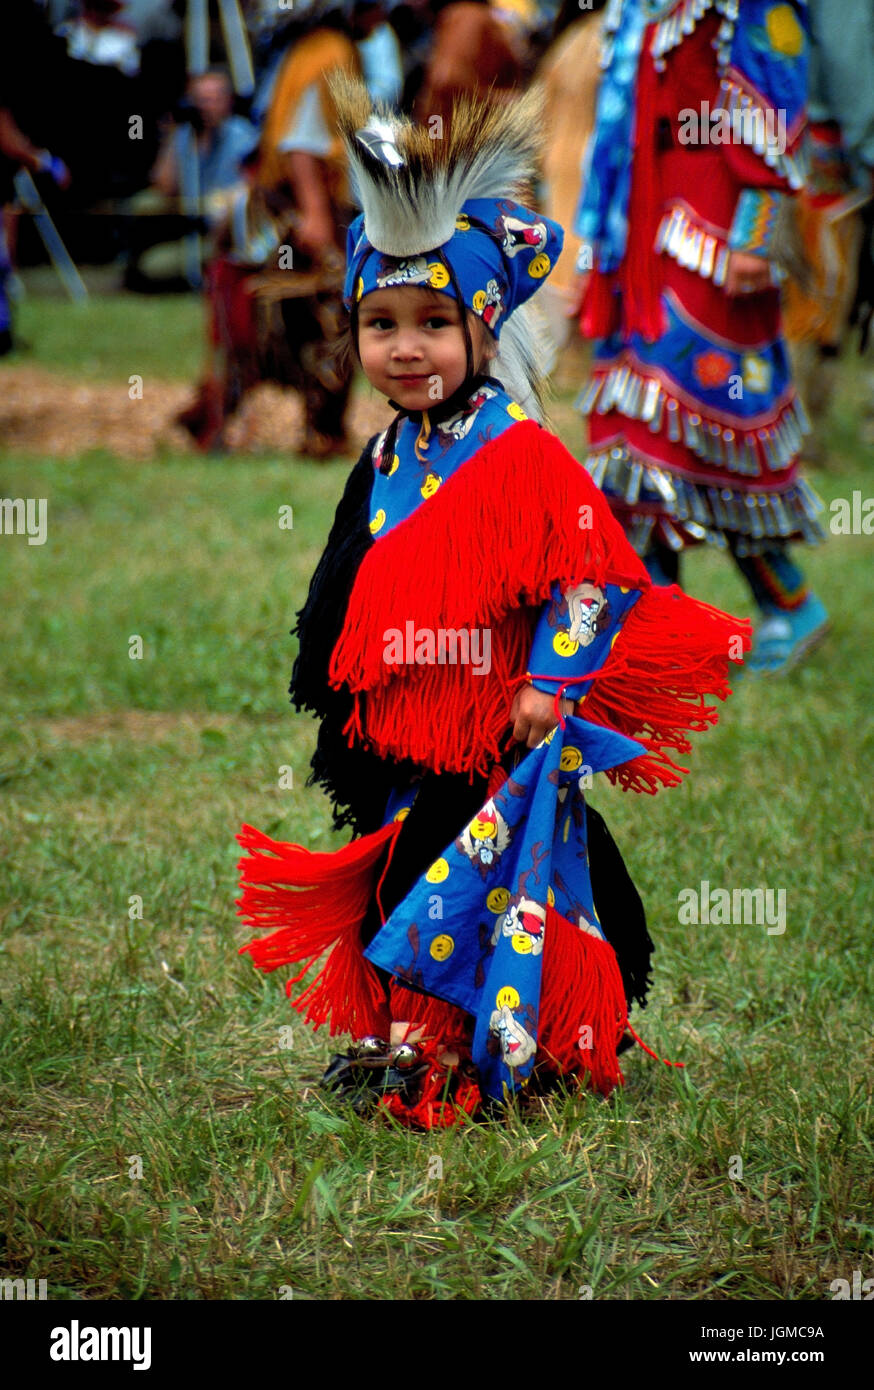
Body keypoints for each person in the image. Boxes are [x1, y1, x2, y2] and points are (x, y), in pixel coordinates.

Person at [236, 79, 749, 1128]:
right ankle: (401, 1039)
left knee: (470, 887)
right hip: (404, 731)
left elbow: (592, 576)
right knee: (401, 879)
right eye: (381, 324)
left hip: (491, 731)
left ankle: (488, 1046)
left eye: (433, 322)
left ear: (483, 329)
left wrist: (550, 683)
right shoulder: (387, 448)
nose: (404, 346)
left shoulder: (519, 452)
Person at [575, 0, 828, 674]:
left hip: (713, 226)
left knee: (698, 420)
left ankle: (791, 601)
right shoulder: (640, 7)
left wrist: (758, 225)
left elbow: (777, 97)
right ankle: (663, 621)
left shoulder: (754, 5)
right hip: (644, 225)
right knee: (632, 424)